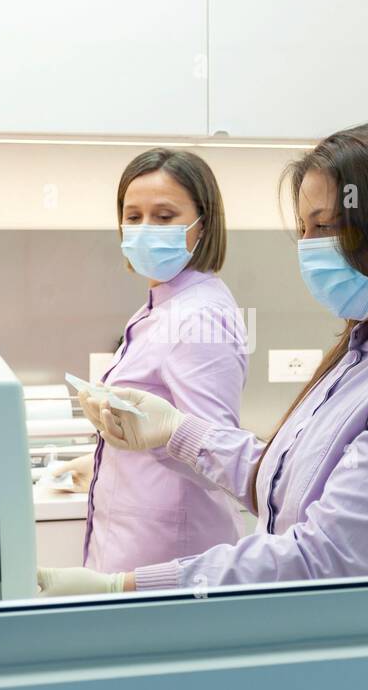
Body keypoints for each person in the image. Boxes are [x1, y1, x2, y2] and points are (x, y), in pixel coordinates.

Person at [38, 120, 368, 596]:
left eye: (325, 226)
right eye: (304, 229)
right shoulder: (362, 351)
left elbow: (323, 558)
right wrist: (174, 430)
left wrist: (126, 586)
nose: (310, 246)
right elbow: (279, 481)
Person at [51, 149, 248, 571]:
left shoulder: (199, 317)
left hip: (171, 554)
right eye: (133, 216)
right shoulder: (161, 305)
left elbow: (217, 459)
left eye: (164, 216)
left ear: (203, 225)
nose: (144, 230)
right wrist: (107, 461)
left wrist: (150, 441)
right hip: (135, 546)